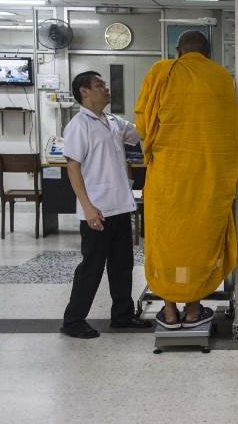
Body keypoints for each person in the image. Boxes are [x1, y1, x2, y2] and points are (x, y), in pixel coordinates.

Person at [135, 31, 238, 330]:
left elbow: (144, 124)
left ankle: (169, 312)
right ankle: (194, 311)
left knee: (167, 239)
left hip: (168, 179)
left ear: (179, 51)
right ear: (208, 53)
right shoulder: (221, 78)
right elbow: (231, 132)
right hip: (209, 180)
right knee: (200, 238)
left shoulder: (162, 72)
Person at [60, 71, 152, 339]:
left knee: (122, 266)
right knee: (91, 267)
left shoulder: (112, 121)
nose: (106, 89)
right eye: (99, 85)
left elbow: (140, 133)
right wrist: (87, 207)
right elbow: (73, 168)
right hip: (97, 210)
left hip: (120, 207)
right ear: (84, 91)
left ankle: (122, 316)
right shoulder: (79, 125)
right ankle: (73, 320)